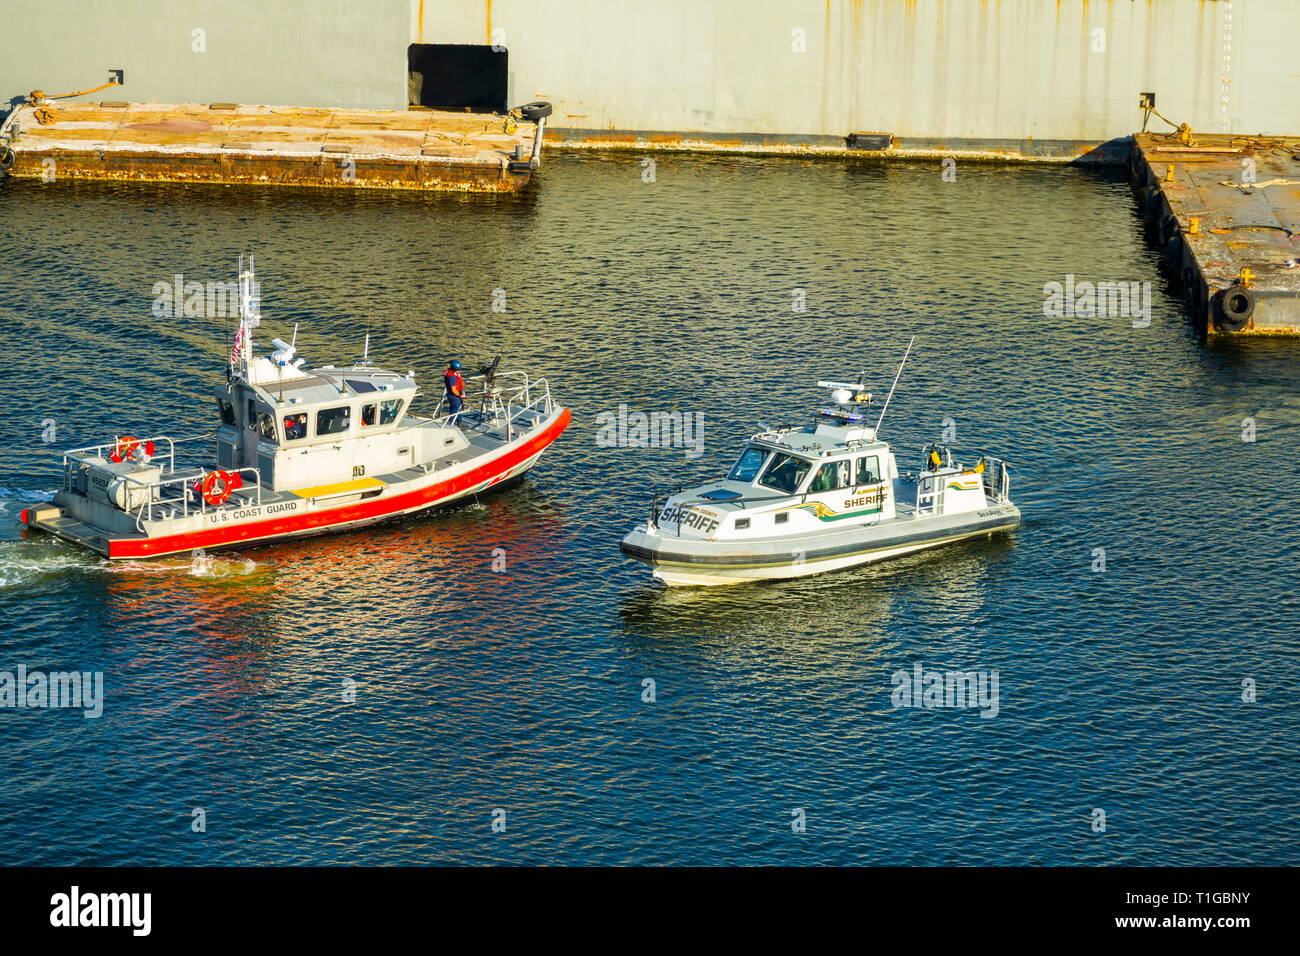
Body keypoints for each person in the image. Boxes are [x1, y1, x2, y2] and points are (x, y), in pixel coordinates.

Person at [444, 359, 465, 425]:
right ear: (453, 369)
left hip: (455, 394)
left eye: (459, 369)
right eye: (457, 370)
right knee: (455, 410)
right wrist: (460, 395)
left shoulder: (452, 372)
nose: (459, 371)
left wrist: (462, 391)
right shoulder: (452, 377)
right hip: (454, 396)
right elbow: (453, 389)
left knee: (457, 409)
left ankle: (459, 423)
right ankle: (453, 425)